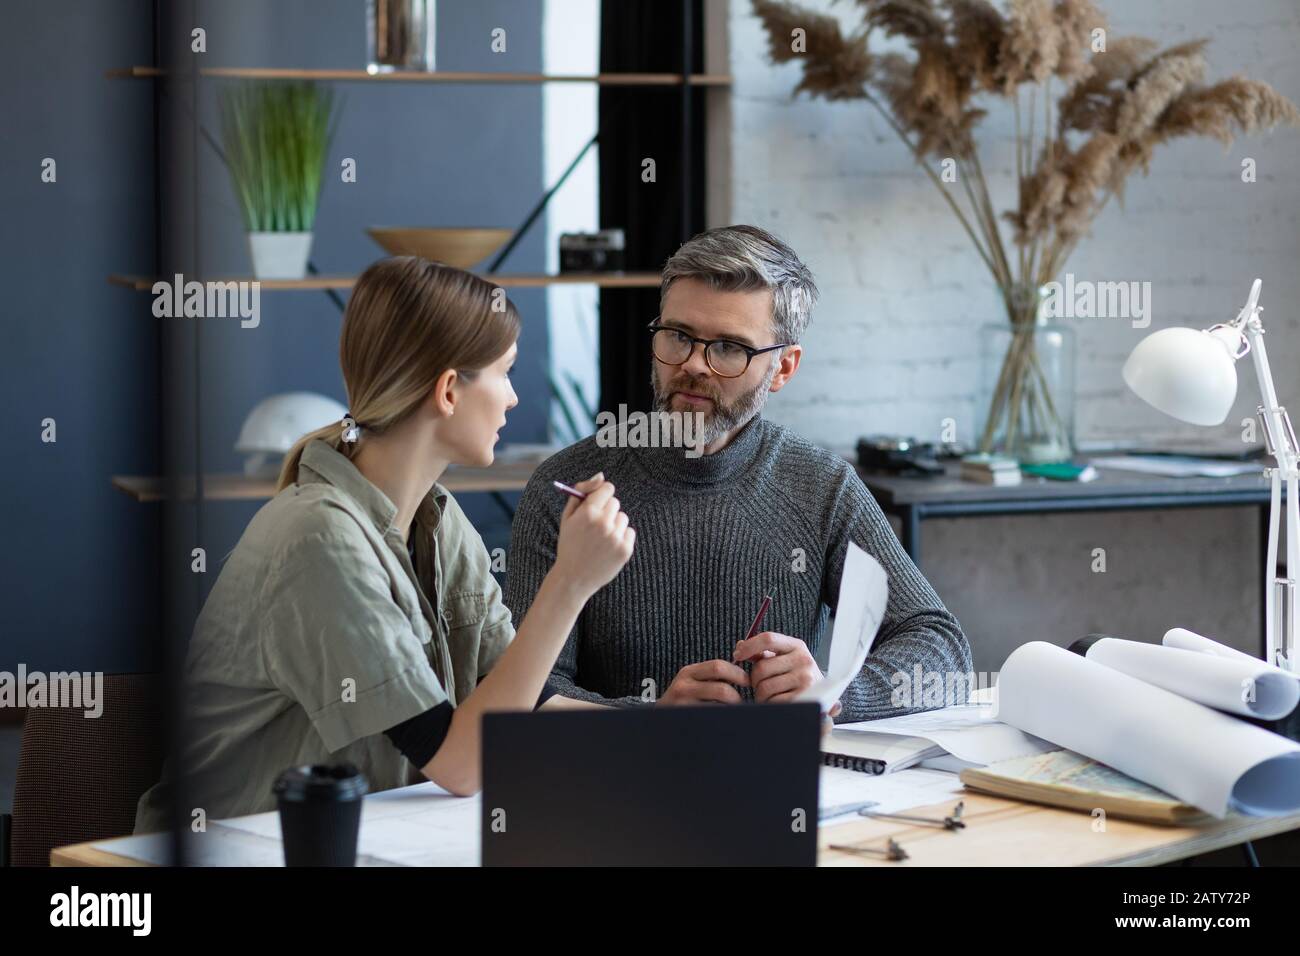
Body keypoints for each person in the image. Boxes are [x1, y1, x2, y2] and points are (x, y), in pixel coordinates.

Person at [134, 256, 634, 832]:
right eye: (505, 372)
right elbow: (458, 762)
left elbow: (523, 704)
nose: (513, 398)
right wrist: (570, 583)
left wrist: (663, 724)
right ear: (449, 391)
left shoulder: (441, 522)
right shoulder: (319, 539)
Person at [503, 225, 971, 719]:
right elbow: (522, 694)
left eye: (729, 347)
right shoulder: (567, 487)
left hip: (780, 765)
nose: (694, 365)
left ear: (783, 368)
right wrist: (650, 720)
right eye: (679, 336)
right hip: (621, 767)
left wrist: (833, 694)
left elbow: (944, 652)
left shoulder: (821, 486)